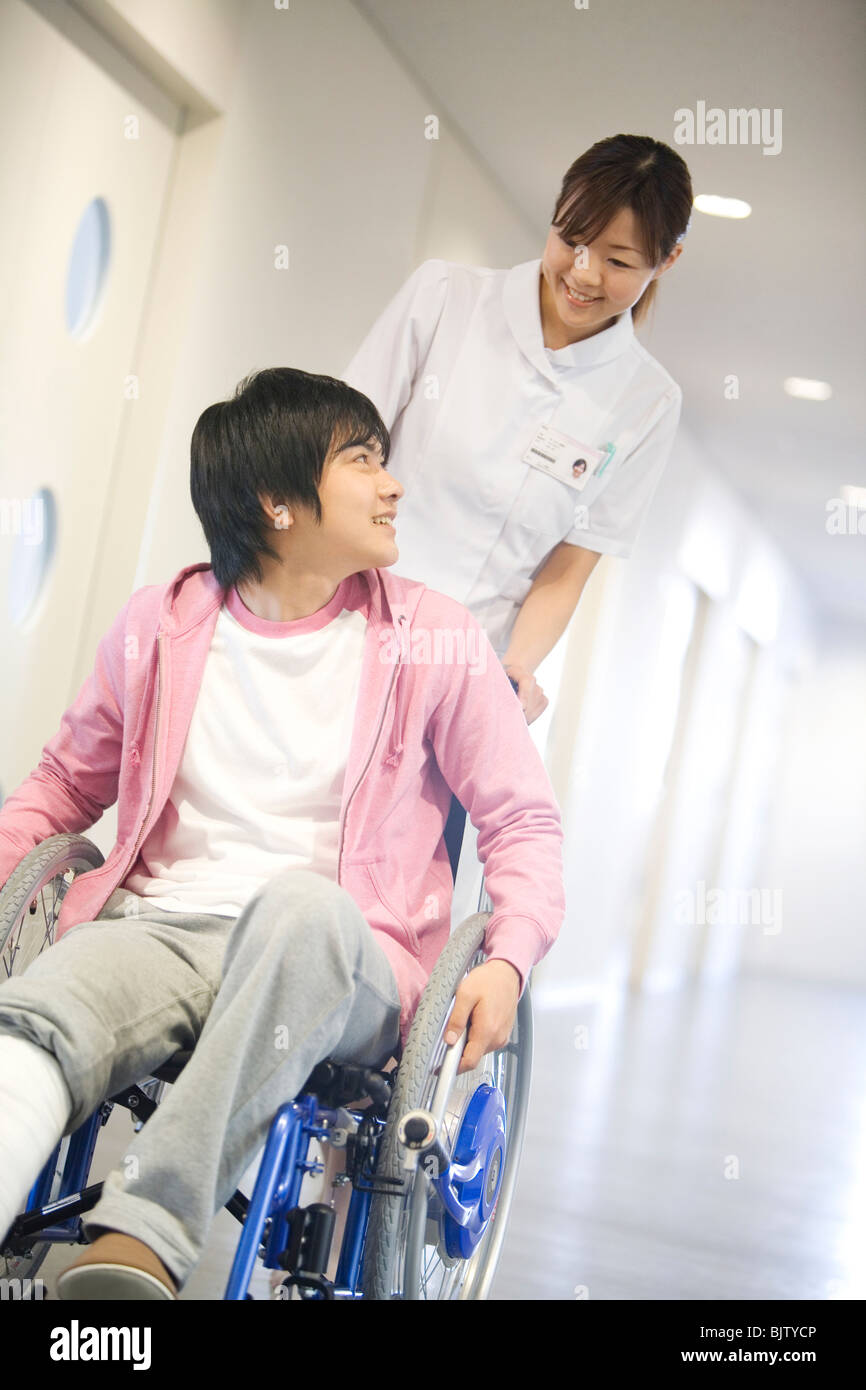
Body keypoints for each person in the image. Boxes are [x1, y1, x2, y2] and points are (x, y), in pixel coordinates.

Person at [0, 368, 564, 1299]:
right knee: (47, 1005)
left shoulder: (434, 637)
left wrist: (508, 956)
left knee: (302, 911)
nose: (393, 485)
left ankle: (140, 1242)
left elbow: (520, 818)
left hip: (345, 955)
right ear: (278, 504)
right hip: (161, 930)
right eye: (363, 461)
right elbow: (65, 783)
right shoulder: (161, 626)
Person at [342, 133, 693, 725]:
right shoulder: (446, 297)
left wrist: (515, 673)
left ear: (667, 261)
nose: (583, 273)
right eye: (570, 239)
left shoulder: (648, 402)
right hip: (344, 623)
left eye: (618, 261)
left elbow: (566, 570)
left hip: (461, 679)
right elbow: (338, 458)